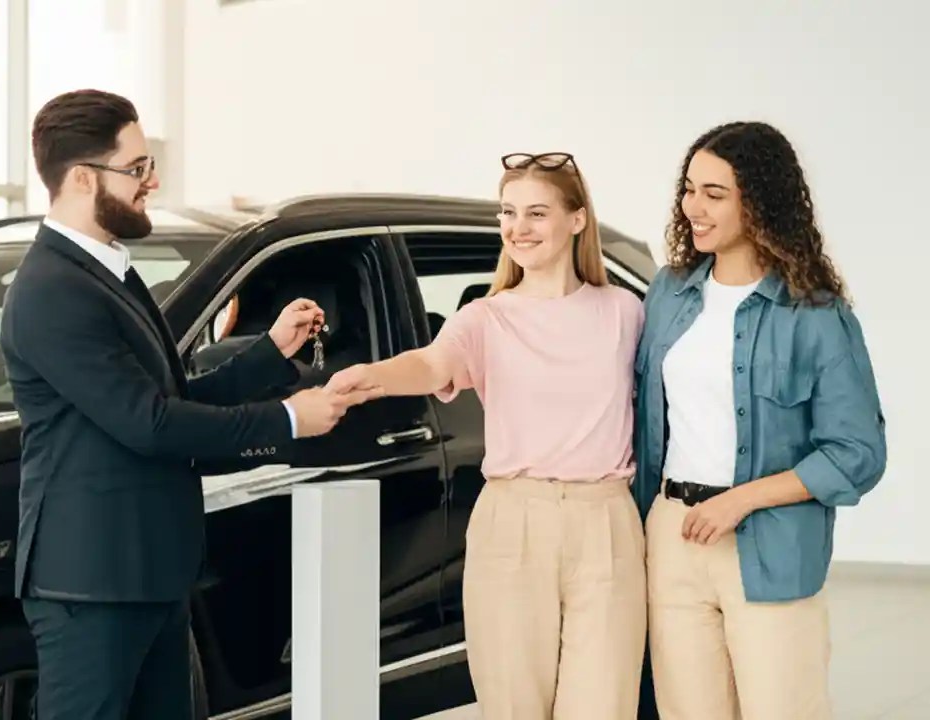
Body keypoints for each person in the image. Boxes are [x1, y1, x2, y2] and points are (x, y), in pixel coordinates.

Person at [0, 89, 375, 720]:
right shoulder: (52, 290)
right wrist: (288, 418)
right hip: (92, 584)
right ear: (84, 178)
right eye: (138, 167)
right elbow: (149, 425)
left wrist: (270, 355)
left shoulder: (108, 272)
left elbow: (166, 399)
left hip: (148, 573)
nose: (152, 181)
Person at [328, 152, 647, 719]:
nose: (517, 229)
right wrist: (374, 377)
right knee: (514, 706)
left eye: (536, 213)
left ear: (577, 219)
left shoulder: (624, 312)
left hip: (606, 523)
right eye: (508, 212)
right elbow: (432, 364)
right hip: (513, 522)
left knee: (604, 705)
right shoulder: (485, 318)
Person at [633, 121, 887, 719]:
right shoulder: (668, 293)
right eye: (689, 189)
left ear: (762, 203)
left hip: (770, 546)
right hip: (671, 536)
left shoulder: (816, 313)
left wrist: (741, 500)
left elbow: (856, 450)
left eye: (714, 194)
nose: (693, 206)